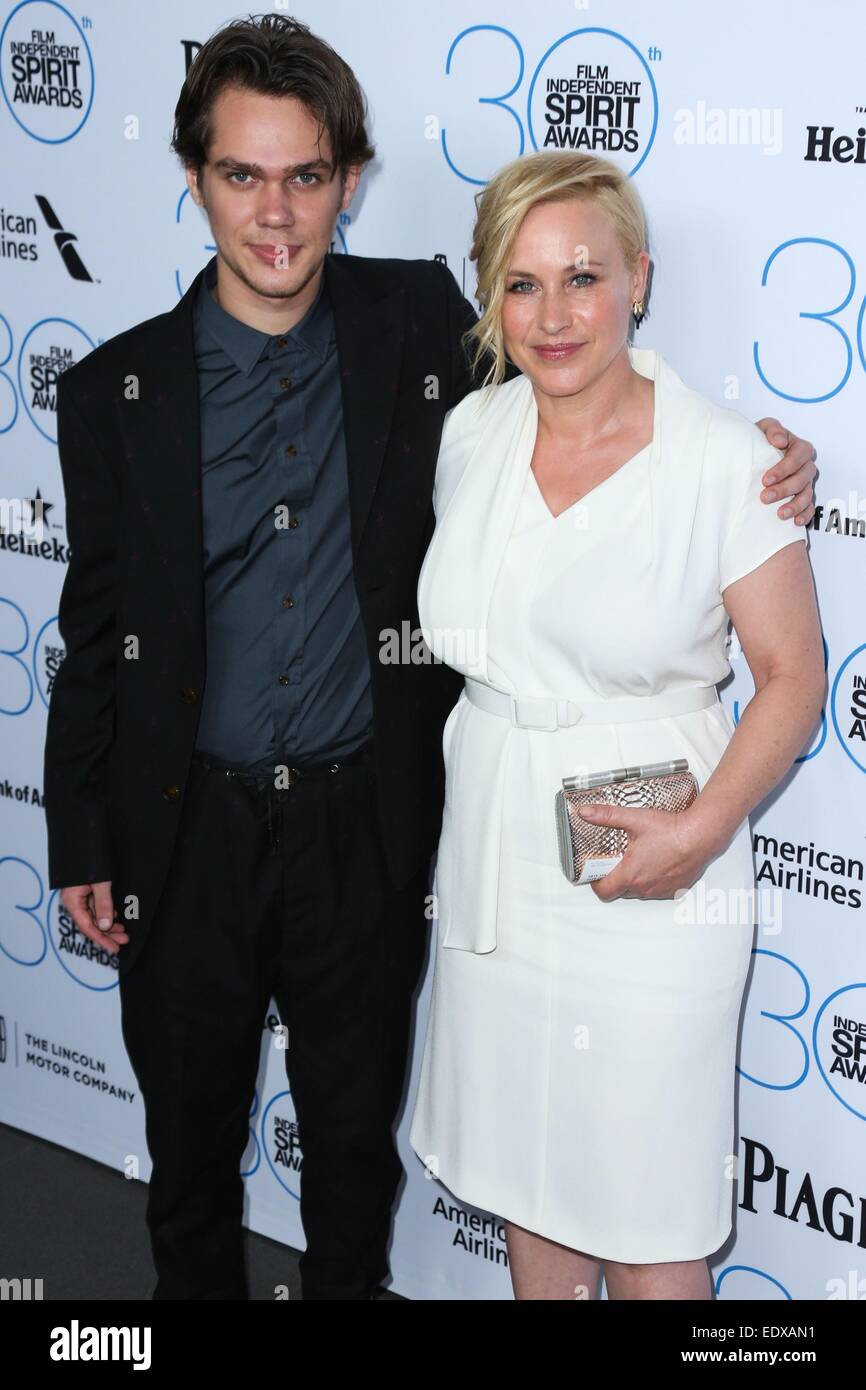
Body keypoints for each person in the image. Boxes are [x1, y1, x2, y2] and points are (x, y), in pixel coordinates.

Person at [42, 14, 817, 1301]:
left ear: (348, 181)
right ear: (194, 181)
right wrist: (81, 832)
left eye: (305, 176)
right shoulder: (116, 389)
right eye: (241, 175)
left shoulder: (412, 322)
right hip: (186, 836)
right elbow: (94, 624)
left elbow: (591, 375)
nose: (274, 214)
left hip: (369, 832)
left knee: (354, 1167)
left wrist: (766, 453)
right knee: (186, 1165)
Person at [408, 150, 825, 1302]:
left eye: (582, 277)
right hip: (497, 841)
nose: (553, 315)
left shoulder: (724, 460)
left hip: (656, 857)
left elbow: (791, 677)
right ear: (489, 294)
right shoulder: (470, 435)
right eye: (522, 283)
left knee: (648, 1210)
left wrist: (694, 836)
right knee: (528, 1177)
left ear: (638, 279)